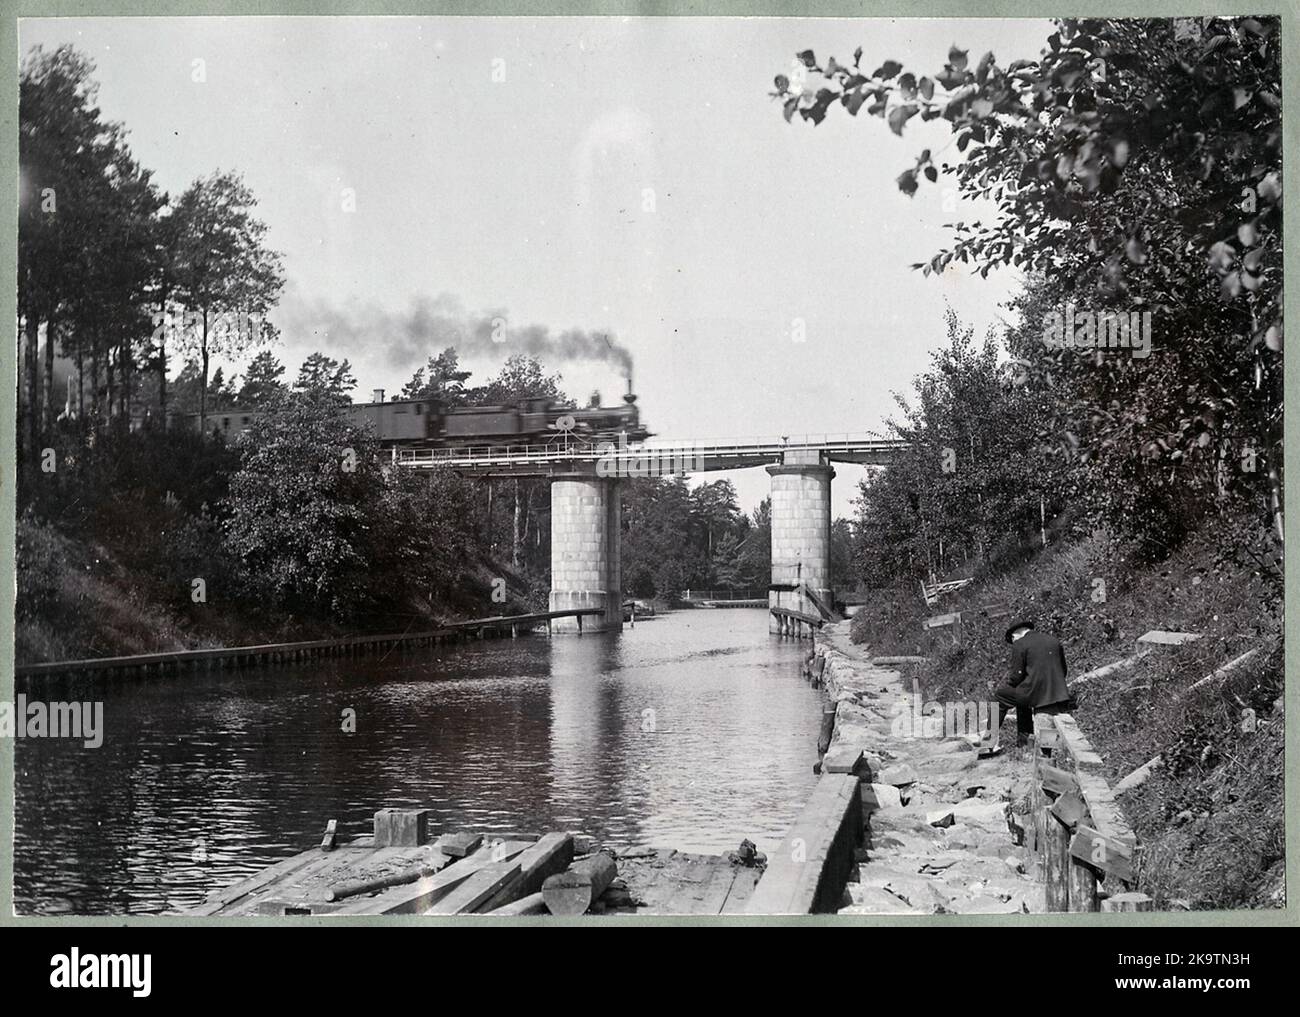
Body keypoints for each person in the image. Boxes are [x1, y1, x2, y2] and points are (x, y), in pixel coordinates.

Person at [984, 619, 1071, 752]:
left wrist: (1011, 684)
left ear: (1014, 635)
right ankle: (1025, 743)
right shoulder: (1053, 640)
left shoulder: (1020, 644)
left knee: (1000, 697)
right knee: (1021, 697)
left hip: (1035, 693)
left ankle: (988, 742)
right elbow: (1063, 670)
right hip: (1057, 693)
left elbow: (1016, 677)